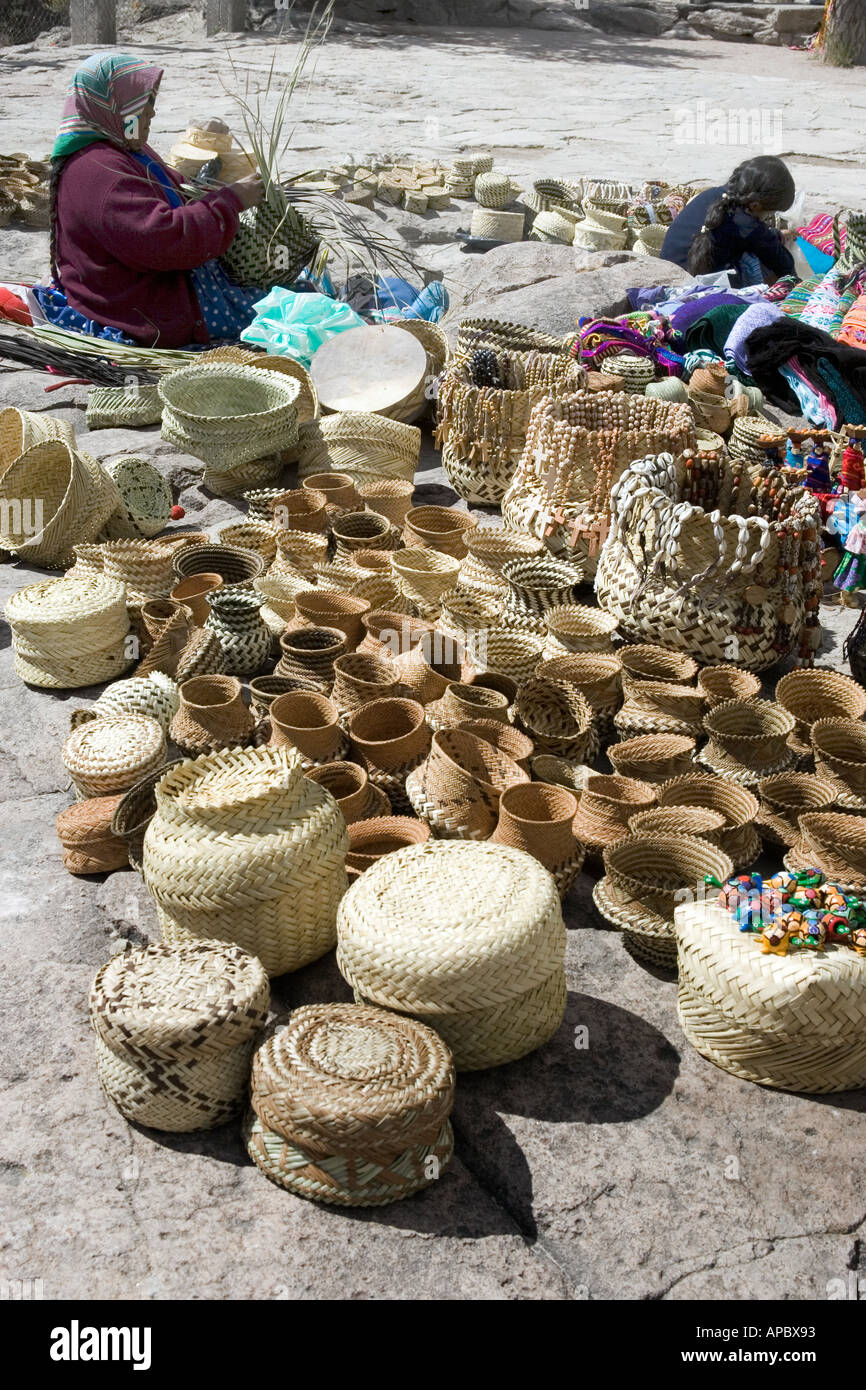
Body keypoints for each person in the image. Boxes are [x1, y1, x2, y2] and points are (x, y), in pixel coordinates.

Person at [39, 52, 264, 346]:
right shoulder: (99, 172)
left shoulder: (125, 149)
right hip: (143, 308)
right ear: (115, 105)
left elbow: (169, 187)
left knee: (287, 285)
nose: (152, 114)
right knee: (280, 310)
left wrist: (208, 192)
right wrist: (229, 202)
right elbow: (165, 240)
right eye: (146, 104)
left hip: (151, 284)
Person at [661, 156, 797, 287]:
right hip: (689, 287)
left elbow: (762, 238)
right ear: (755, 206)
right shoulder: (748, 227)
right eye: (769, 213)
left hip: (665, 268)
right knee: (757, 262)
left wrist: (776, 235)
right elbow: (784, 265)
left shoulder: (713, 196)